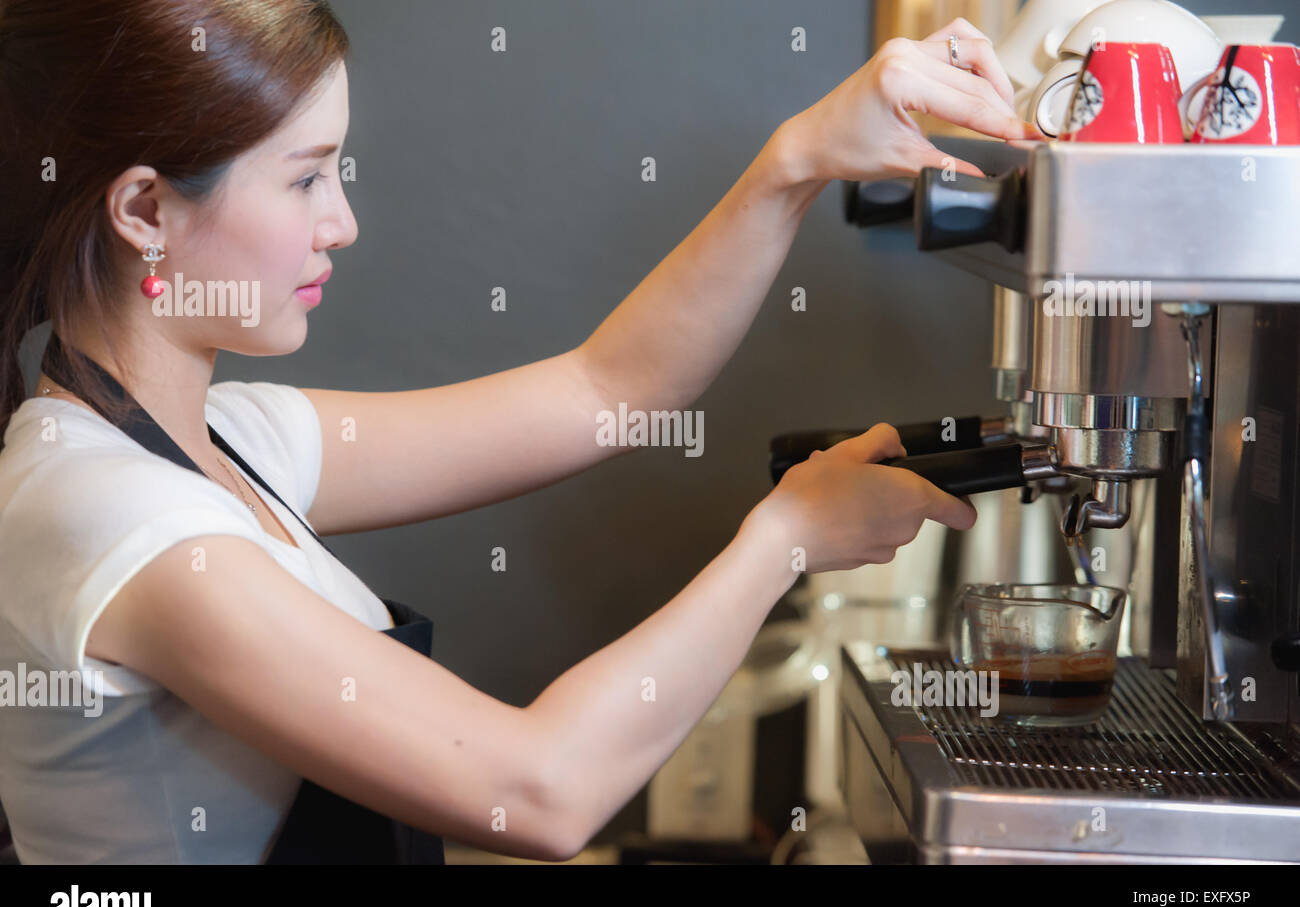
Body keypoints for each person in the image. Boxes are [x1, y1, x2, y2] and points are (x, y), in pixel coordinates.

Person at [0, 0, 1037, 863]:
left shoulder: (229, 442)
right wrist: (783, 542)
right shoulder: (105, 514)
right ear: (143, 209)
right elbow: (540, 788)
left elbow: (607, 390)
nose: (342, 222)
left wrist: (794, 161)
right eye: (306, 176)